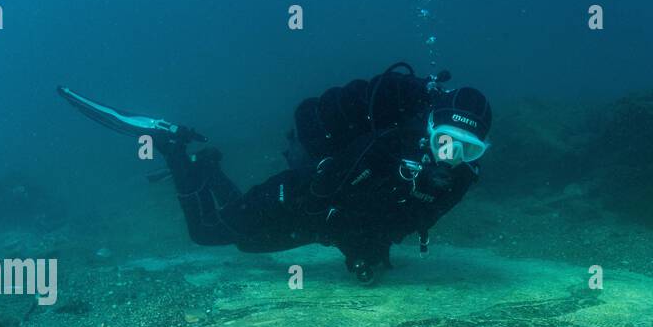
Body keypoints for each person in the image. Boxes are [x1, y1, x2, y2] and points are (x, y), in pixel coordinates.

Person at [57, 63, 491, 285]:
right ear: (429, 132)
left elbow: (405, 219)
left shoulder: (460, 179)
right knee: (207, 233)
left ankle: (208, 167)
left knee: (246, 242)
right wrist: (355, 243)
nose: (451, 158)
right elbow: (331, 197)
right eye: (445, 143)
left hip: (318, 225)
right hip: (299, 197)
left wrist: (370, 248)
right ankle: (171, 144)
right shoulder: (386, 148)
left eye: (467, 150)